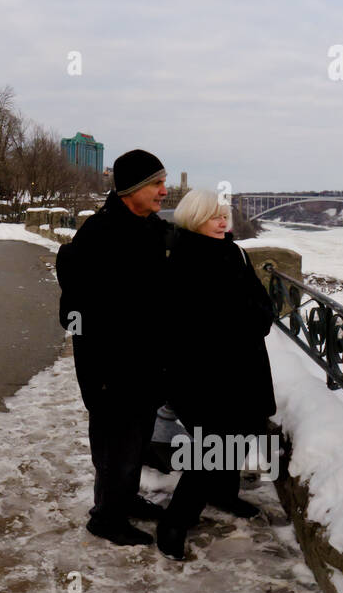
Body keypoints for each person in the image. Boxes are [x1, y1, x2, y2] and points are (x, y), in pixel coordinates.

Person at [154, 185, 279, 561]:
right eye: (213, 215)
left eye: (224, 214)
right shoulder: (180, 259)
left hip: (244, 364)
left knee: (246, 427)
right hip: (199, 372)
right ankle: (175, 521)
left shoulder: (235, 253)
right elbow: (185, 323)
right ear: (194, 218)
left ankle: (225, 494)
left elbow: (261, 306)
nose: (222, 220)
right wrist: (237, 323)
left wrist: (244, 322)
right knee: (214, 443)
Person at [59, 148, 173, 545]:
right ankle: (106, 518)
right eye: (156, 183)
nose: (164, 190)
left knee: (136, 439)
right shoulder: (99, 236)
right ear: (131, 189)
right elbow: (72, 310)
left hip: (146, 366)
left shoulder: (153, 229)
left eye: (163, 182)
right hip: (111, 369)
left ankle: (125, 500)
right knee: (115, 444)